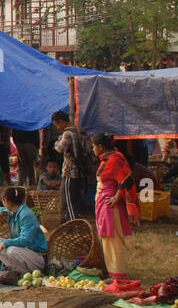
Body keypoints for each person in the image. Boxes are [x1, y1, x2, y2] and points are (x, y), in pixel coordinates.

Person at [92, 132, 141, 293]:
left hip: (110, 205)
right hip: (104, 203)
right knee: (107, 238)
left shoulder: (115, 159)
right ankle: (114, 272)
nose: (93, 149)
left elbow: (126, 180)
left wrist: (116, 196)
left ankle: (118, 275)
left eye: (94, 146)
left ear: (100, 146)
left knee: (113, 238)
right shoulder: (108, 159)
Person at [0, 186, 49, 278]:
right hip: (24, 253)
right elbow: (3, 210)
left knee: (12, 250)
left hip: (36, 256)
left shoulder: (26, 215)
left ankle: (23, 272)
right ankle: (13, 268)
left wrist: (3, 245)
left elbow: (25, 240)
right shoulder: (14, 210)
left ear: (6, 201)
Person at [51, 110, 88, 221]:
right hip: (79, 171)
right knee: (73, 201)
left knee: (67, 202)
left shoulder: (67, 133)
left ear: (61, 121)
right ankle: (76, 225)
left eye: (57, 125)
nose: (57, 128)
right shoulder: (77, 130)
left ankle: (73, 226)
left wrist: (57, 141)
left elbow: (59, 149)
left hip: (70, 171)